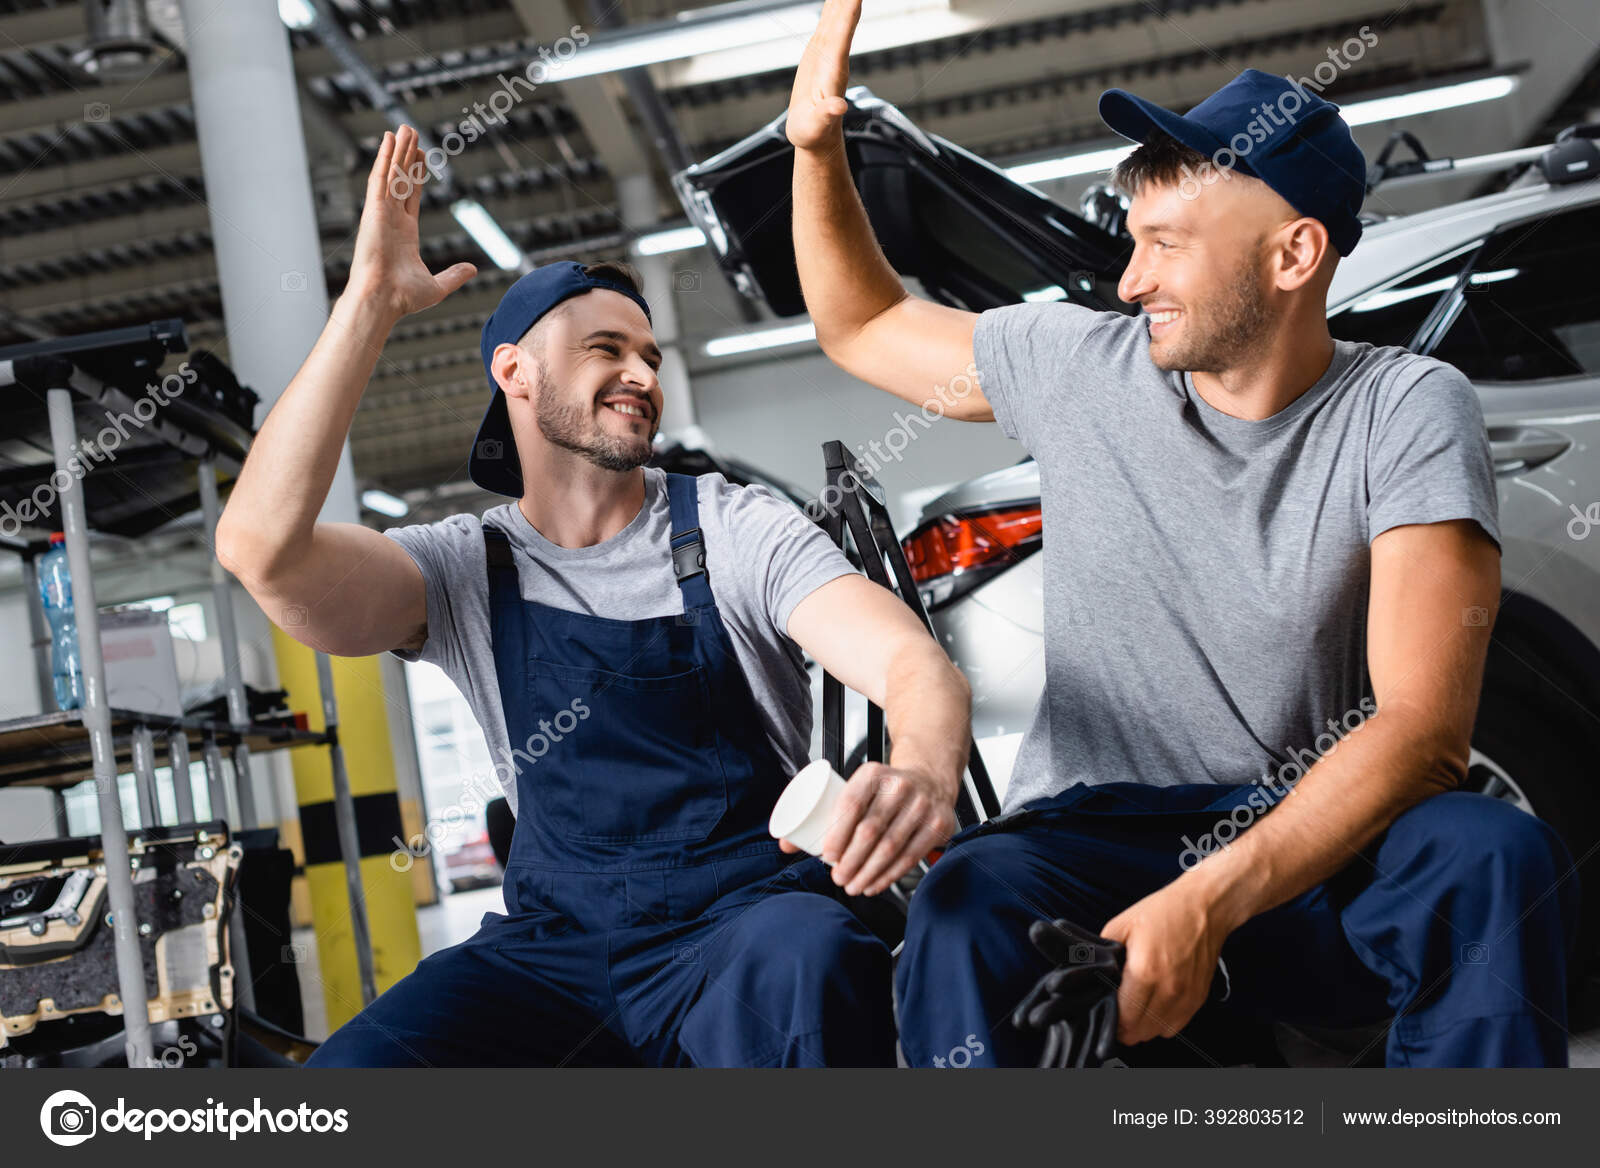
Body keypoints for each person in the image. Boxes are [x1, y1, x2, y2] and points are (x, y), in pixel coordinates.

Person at [786, 0, 1577, 1066]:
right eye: (1132, 242)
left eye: (1165, 245)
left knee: (1486, 852)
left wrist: (1204, 901)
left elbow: (1422, 733)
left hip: (1301, 840)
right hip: (1090, 836)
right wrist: (814, 152)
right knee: (969, 898)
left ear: (1293, 255)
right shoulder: (1082, 367)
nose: (1128, 281)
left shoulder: (1405, 406)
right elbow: (863, 323)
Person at [216, 126, 970, 1067]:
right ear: (514, 373)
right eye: (607, 348)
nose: (643, 376)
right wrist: (369, 303)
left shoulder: (733, 527)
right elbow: (260, 551)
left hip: (742, 923)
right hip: (556, 953)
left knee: (811, 966)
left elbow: (910, 663)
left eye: (650, 355)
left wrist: (923, 774)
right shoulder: (459, 570)